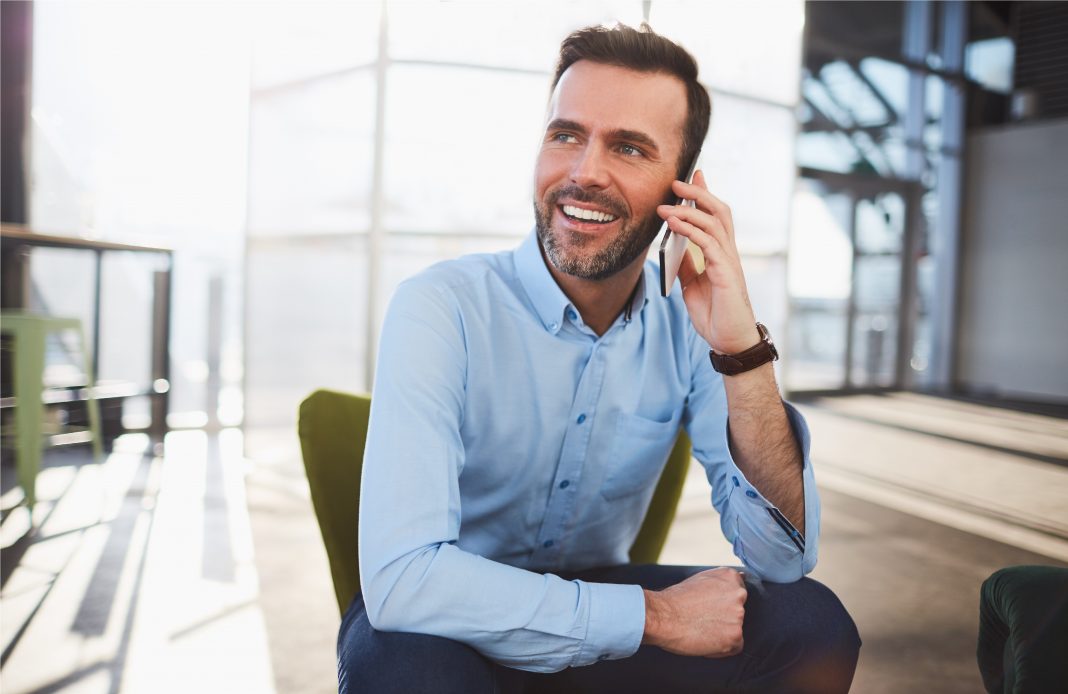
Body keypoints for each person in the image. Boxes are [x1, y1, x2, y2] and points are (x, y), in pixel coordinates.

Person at [340, 23, 861, 693]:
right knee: (406, 664)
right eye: (565, 135)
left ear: (682, 193)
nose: (584, 172)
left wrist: (741, 352)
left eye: (629, 148)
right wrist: (652, 616)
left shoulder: (690, 328)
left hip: (596, 606)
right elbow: (405, 579)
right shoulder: (441, 306)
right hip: (443, 618)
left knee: (811, 623)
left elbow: (783, 557)